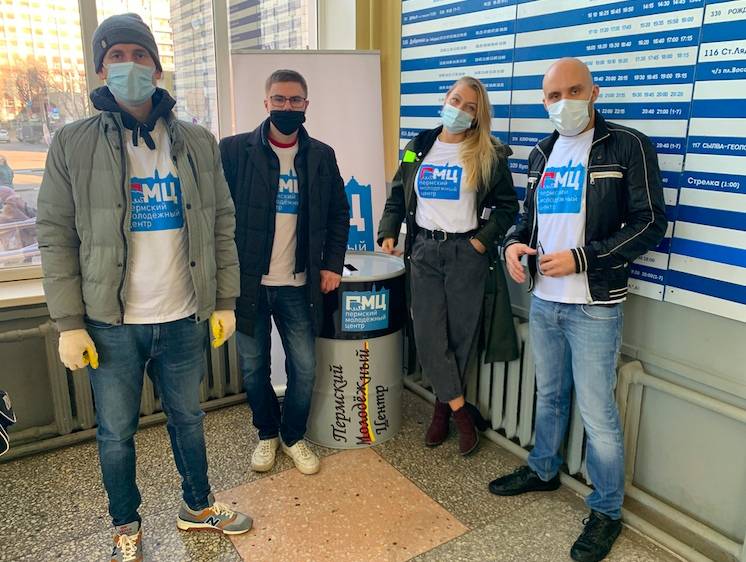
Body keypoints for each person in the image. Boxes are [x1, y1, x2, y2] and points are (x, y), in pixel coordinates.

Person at [36, 13, 251, 562]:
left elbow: (222, 223)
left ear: (157, 67)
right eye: (116, 56)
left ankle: (197, 506)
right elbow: (56, 235)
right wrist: (69, 324)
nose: (128, 65)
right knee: (115, 433)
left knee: (189, 420)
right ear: (100, 69)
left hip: (182, 315)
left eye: (139, 55)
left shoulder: (197, 142)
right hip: (110, 325)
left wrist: (225, 301)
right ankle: (125, 524)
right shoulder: (71, 143)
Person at [488, 58, 667, 562]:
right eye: (553, 95)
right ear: (543, 101)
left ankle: (606, 510)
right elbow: (527, 218)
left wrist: (583, 258)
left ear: (593, 92)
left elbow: (650, 222)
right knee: (548, 395)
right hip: (545, 299)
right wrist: (511, 245)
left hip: (594, 305)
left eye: (574, 90)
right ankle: (544, 468)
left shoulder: (627, 145)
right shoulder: (541, 152)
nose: (563, 102)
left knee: (597, 413)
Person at [378, 76, 519, 456]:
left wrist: (481, 241)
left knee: (459, 338)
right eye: (456, 100)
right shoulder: (418, 147)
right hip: (424, 250)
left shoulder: (488, 153)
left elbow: (508, 207)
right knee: (428, 334)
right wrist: (388, 229)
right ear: (446, 99)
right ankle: (461, 414)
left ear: (478, 115)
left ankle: (441, 411)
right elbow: (398, 193)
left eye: (470, 107)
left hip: (465, 254)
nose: (460, 110)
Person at [220, 69, 350, 476]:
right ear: (266, 103)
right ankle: (266, 434)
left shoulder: (321, 155)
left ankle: (293, 436)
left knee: (305, 367)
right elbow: (216, 217)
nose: (287, 106)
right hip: (249, 285)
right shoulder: (234, 151)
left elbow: (339, 214)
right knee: (254, 367)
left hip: (298, 285)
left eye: (295, 100)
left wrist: (331, 265)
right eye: (279, 99)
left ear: (306, 105)